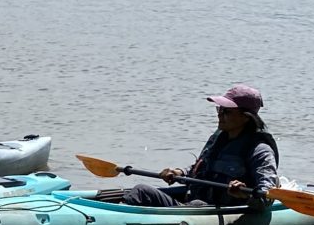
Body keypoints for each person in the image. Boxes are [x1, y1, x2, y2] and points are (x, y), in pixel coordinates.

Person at [116, 85, 278, 207]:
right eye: (219, 109)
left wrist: (244, 194)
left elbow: (268, 194)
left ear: (246, 117)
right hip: (195, 205)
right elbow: (201, 170)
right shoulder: (218, 140)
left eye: (226, 111)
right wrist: (179, 173)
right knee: (139, 192)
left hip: (216, 212)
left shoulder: (260, 150)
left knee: (145, 191)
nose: (220, 115)